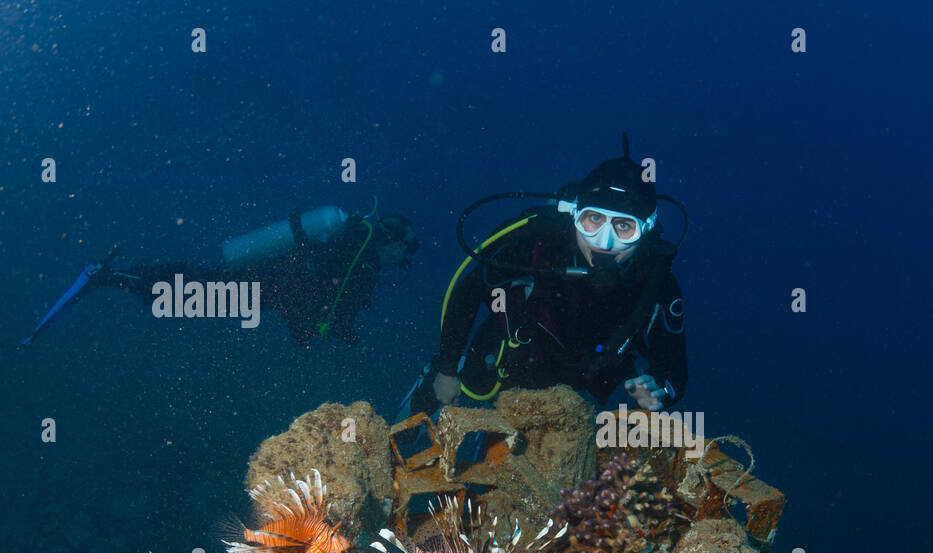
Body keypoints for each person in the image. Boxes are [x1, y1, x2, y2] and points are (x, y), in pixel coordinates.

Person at [406, 135, 688, 417]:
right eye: (593, 220)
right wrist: (447, 369)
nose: (604, 242)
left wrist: (659, 389)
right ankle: (421, 395)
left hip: (571, 383)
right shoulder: (538, 247)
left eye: (624, 227)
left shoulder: (655, 282)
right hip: (503, 357)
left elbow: (675, 371)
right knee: (459, 388)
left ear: (647, 229)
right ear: (575, 214)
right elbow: (466, 293)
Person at [86, 206, 419, 345]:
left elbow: (318, 288)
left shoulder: (354, 246)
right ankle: (114, 276)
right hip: (263, 287)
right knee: (189, 295)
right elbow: (330, 305)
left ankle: (128, 274)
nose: (405, 258)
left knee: (197, 284)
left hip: (265, 279)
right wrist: (344, 334)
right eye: (407, 248)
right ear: (393, 242)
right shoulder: (363, 261)